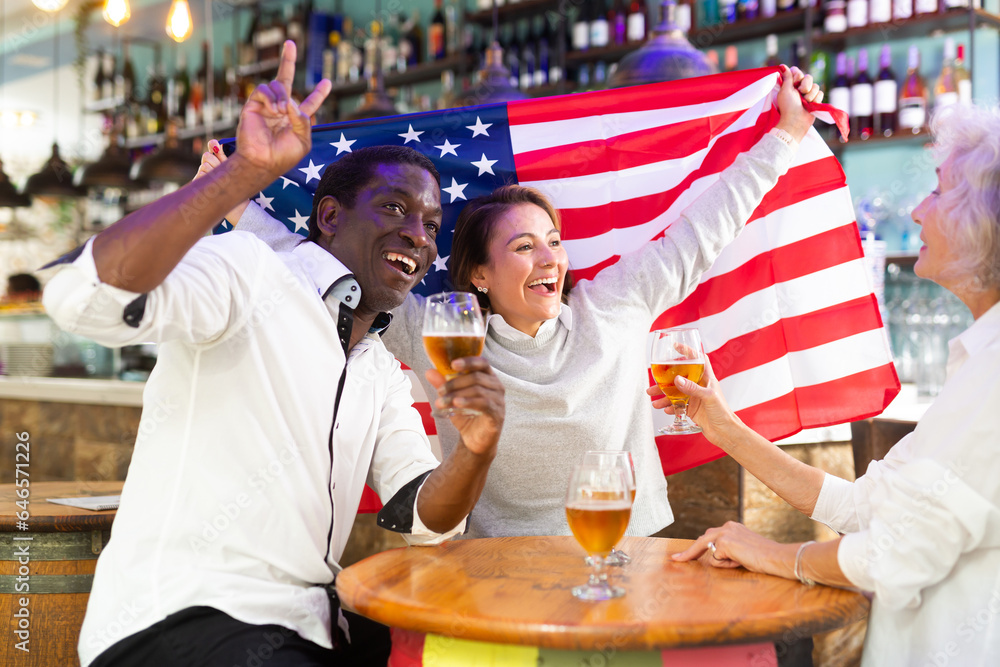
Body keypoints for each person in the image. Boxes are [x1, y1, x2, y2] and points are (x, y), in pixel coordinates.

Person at [210, 65, 823, 540]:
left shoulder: (614, 306)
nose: (552, 259)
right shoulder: (444, 333)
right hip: (493, 568)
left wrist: (789, 132)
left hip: (627, 554)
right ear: (478, 273)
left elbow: (706, 228)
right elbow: (320, 263)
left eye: (554, 243)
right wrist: (232, 195)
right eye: (525, 246)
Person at [41, 41, 505, 667]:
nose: (417, 236)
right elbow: (83, 298)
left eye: (430, 223)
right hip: (182, 622)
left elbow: (422, 514)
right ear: (331, 217)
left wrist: (474, 452)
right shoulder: (250, 271)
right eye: (395, 207)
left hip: (311, 627)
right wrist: (242, 175)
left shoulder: (379, 369)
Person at [667, 103, 1000, 665]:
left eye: (939, 192)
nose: (918, 212)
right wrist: (722, 427)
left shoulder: (991, 374)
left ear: (984, 223)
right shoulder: (977, 363)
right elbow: (864, 506)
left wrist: (774, 554)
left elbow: (896, 555)